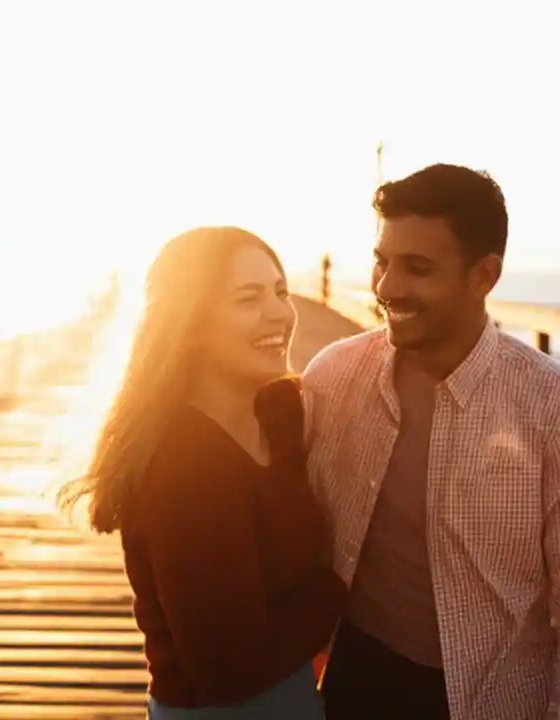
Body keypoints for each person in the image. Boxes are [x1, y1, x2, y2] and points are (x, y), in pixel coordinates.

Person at [302, 164, 560, 719]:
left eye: (417, 268)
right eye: (382, 263)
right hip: (351, 683)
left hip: (494, 699)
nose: (387, 288)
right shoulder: (332, 378)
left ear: (484, 275)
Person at [59, 226, 346, 719]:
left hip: (291, 697)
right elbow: (230, 669)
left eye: (280, 292)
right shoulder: (187, 466)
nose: (279, 311)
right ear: (190, 321)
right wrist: (341, 584)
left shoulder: (276, 417)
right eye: (248, 298)